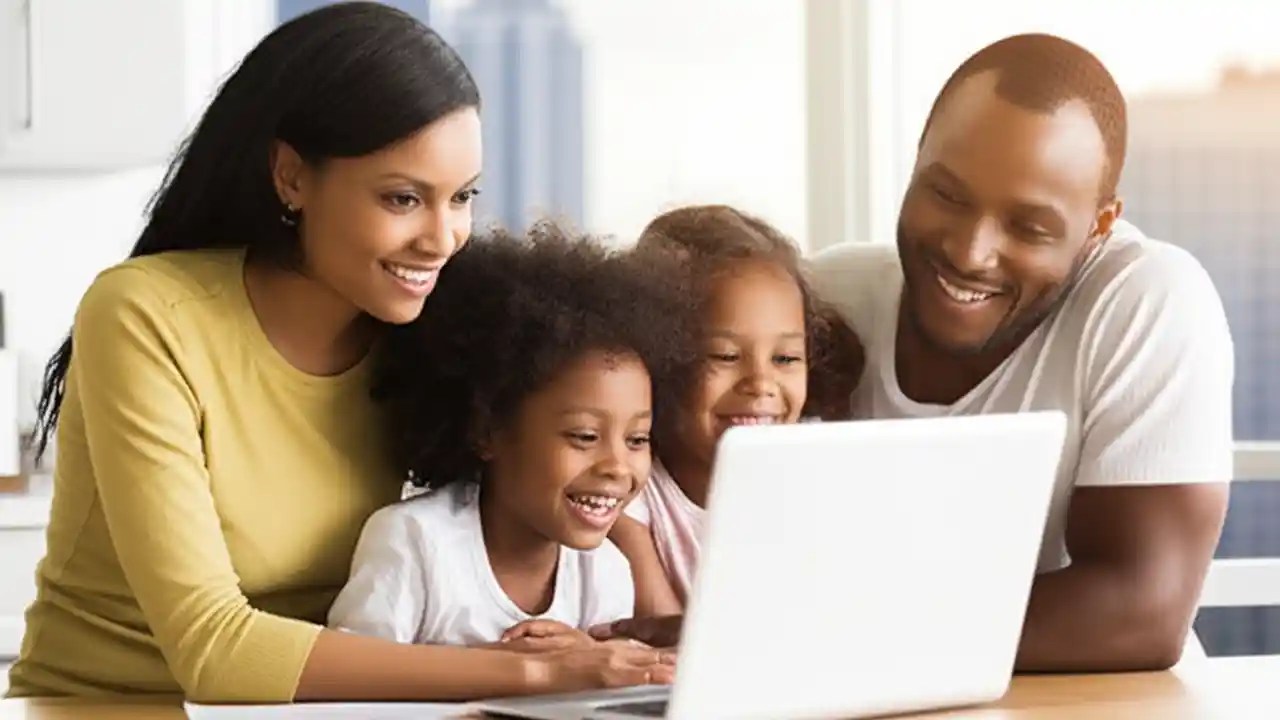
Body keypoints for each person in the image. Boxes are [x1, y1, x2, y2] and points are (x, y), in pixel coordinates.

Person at [9, 3, 667, 703]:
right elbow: (214, 649)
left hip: (327, 710)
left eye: (462, 197)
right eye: (404, 198)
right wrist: (536, 671)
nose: (442, 238)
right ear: (292, 176)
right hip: (108, 707)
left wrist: (636, 599)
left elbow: (569, 462)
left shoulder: (430, 331)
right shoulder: (147, 317)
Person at [596, 34, 1233, 671]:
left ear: (1099, 224)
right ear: (917, 158)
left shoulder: (1148, 299)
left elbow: (1138, 614)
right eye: (948, 195)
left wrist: (778, 640)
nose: (970, 251)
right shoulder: (828, 298)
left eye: (1028, 226)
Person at [327, 227, 694, 679]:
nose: (618, 466)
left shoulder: (606, 570)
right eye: (583, 436)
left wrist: (587, 657)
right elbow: (349, 684)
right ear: (489, 430)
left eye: (637, 439)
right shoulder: (415, 542)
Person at [608, 205, 864, 617]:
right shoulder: (630, 487)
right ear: (656, 359)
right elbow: (663, 631)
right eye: (725, 356)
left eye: (785, 359)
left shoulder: (818, 466)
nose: (760, 383)